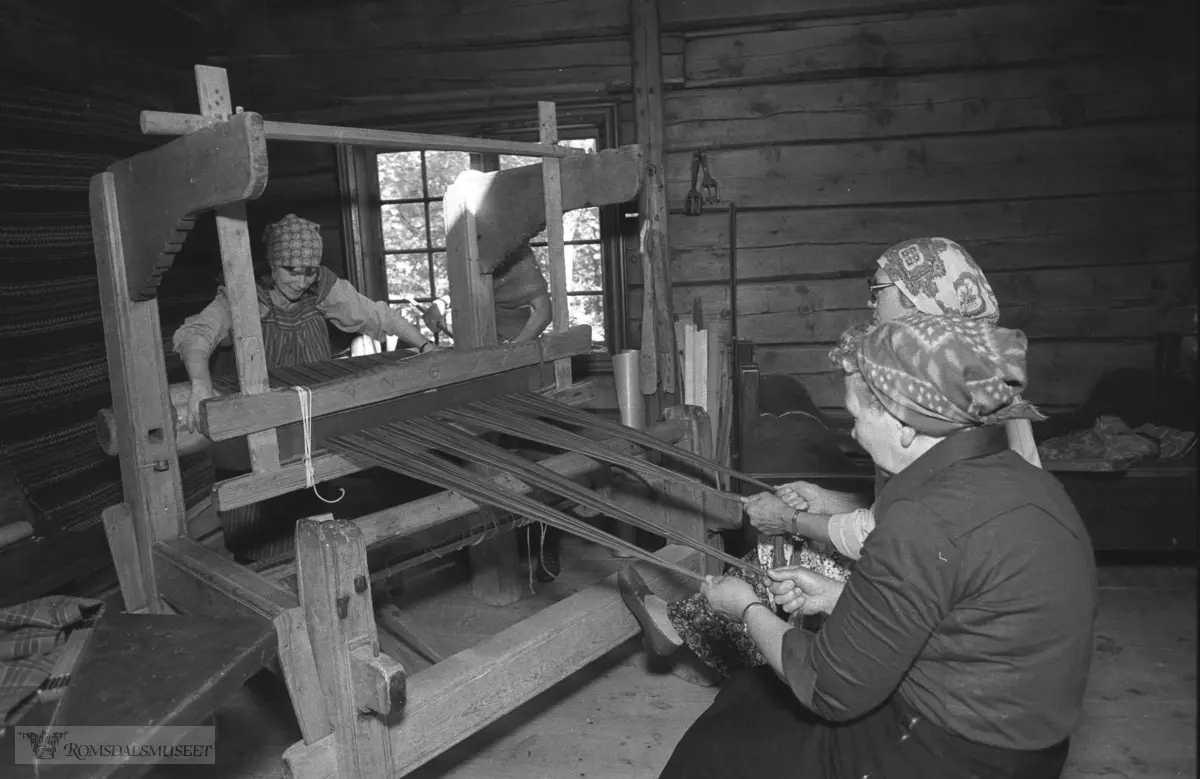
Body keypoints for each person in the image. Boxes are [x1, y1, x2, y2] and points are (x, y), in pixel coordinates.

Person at [656, 312, 1097, 779]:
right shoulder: (1031, 484)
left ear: (905, 424)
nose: (852, 433)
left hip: (946, 755)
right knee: (748, 693)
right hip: (1026, 750)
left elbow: (827, 688)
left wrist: (746, 608)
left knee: (721, 744)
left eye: (855, 417)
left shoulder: (923, 520)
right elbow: (970, 615)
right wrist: (838, 595)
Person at [619, 237, 1022, 675]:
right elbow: (897, 511)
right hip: (940, 575)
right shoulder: (948, 375)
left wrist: (792, 520)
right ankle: (715, 636)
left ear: (918, 297)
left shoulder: (945, 397)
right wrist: (823, 498)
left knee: (792, 553)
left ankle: (741, 642)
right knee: (790, 548)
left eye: (879, 289)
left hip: (951, 609)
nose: (871, 303)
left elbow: (901, 532)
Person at [172, 213, 435, 558]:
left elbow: (379, 316)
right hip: (251, 433)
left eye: (308, 270)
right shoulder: (242, 294)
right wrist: (201, 385)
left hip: (307, 430)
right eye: (290, 270)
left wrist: (426, 348)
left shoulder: (322, 289)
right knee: (256, 540)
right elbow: (194, 334)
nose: (300, 280)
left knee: (313, 529)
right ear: (273, 263)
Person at [422, 240, 561, 580]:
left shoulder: (520, 259)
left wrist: (513, 350)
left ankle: (543, 545)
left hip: (520, 368)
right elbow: (452, 298)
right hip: (481, 372)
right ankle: (488, 549)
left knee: (526, 462)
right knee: (481, 462)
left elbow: (544, 311)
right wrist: (437, 310)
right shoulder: (471, 257)